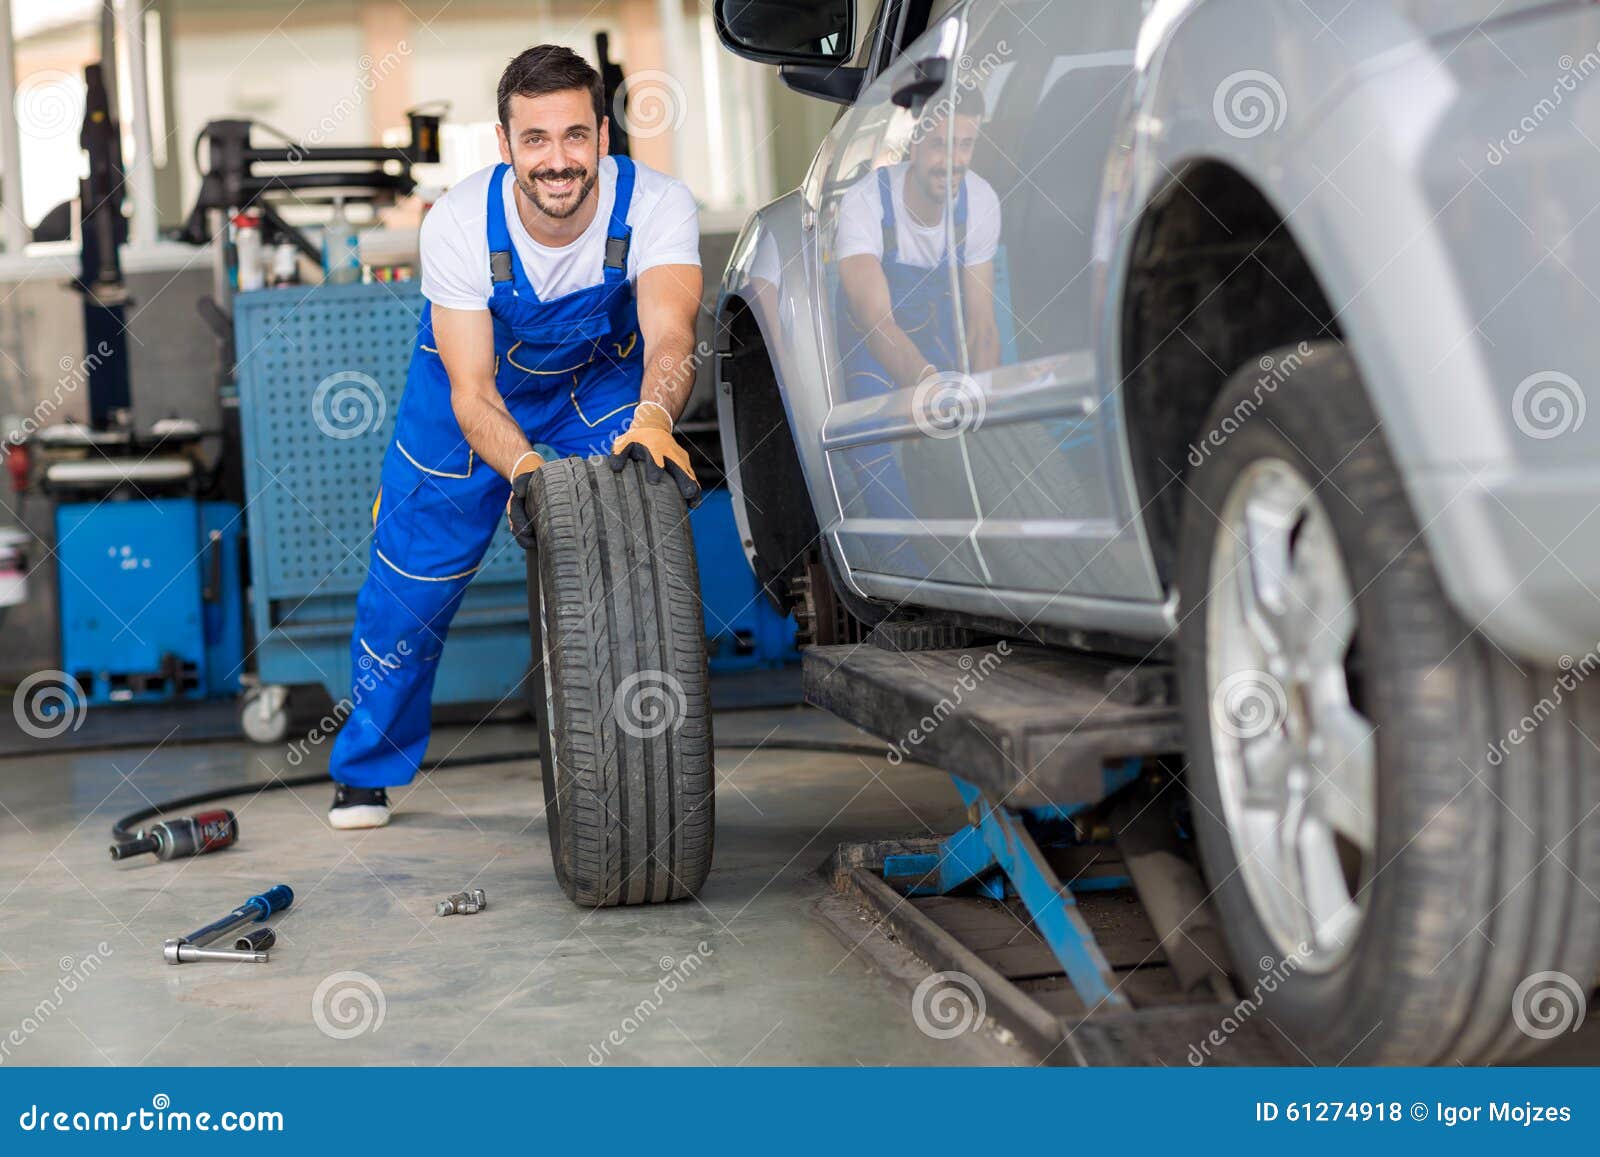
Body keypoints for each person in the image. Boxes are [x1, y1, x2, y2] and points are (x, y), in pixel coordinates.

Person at [324, 44, 703, 829]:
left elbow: (670, 339)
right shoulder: (460, 223)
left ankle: (633, 754)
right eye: (536, 139)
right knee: (409, 589)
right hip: (466, 404)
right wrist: (529, 473)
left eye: (574, 136)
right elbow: (472, 390)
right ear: (505, 146)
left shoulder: (659, 205)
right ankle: (364, 768)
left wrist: (656, 416)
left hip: (596, 386)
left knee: (629, 526)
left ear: (603, 135)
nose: (558, 161)